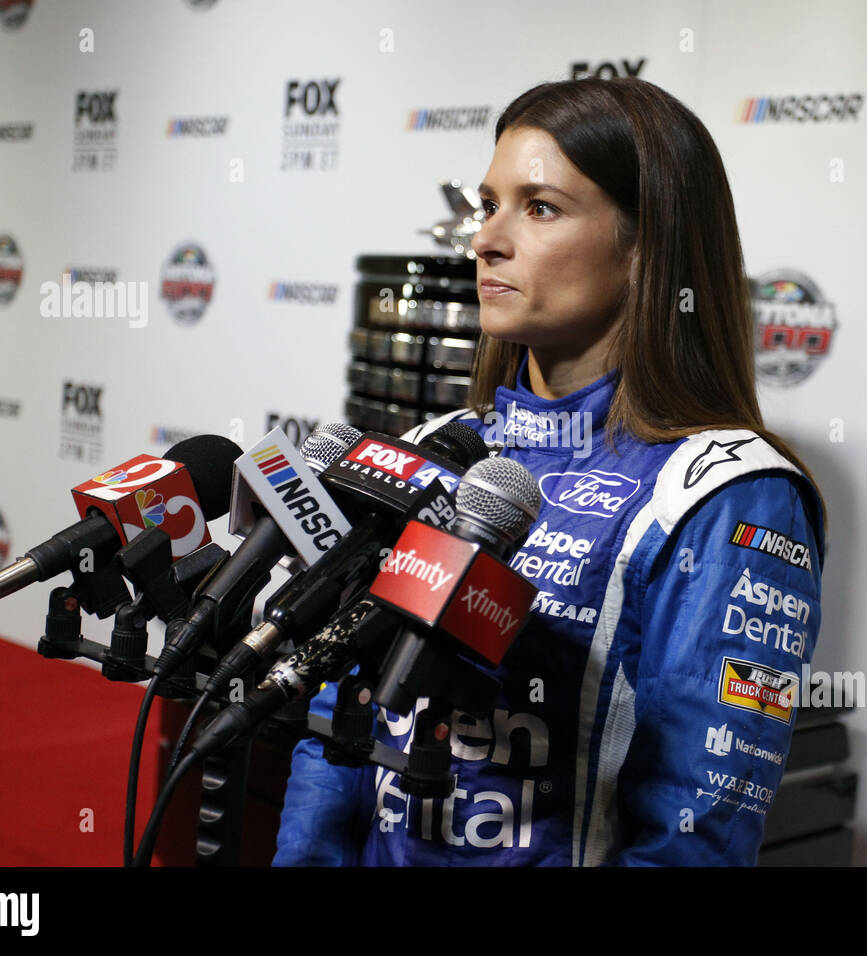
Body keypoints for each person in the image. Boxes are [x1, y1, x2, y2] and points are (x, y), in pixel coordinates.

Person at [274, 77, 827, 866]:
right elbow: (340, 724)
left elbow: (692, 836)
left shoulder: (728, 492)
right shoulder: (441, 445)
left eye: (539, 208)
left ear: (646, 248)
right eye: (489, 204)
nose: (486, 240)